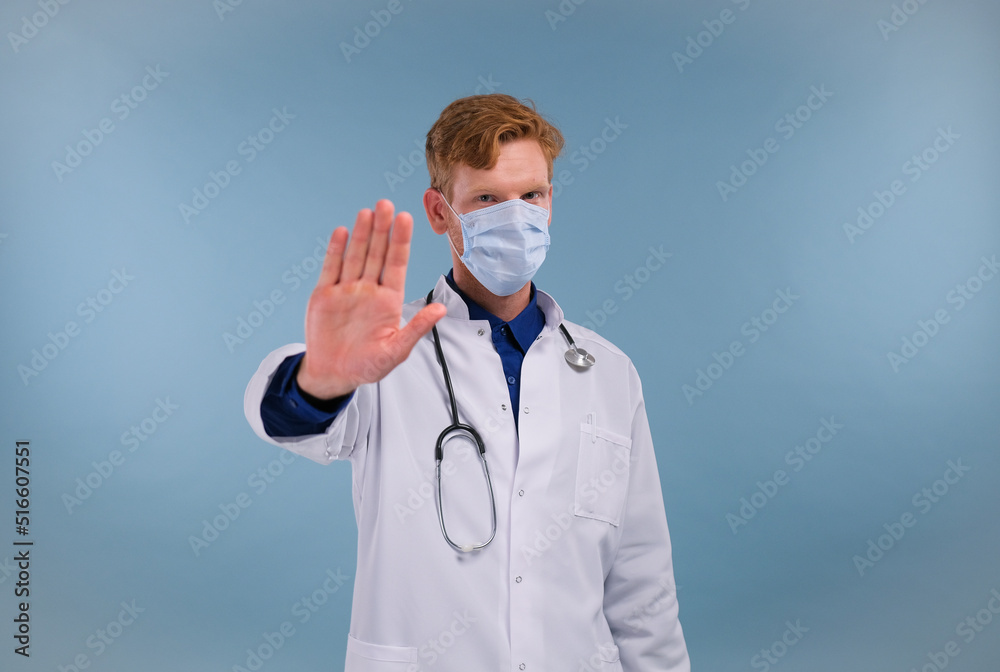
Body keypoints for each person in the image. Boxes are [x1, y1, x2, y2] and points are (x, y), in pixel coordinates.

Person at [243, 94, 689, 671]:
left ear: (551, 201)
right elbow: (285, 419)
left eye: (532, 195)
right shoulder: (383, 355)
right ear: (438, 213)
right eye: (486, 199)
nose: (517, 216)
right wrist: (321, 381)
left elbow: (641, 579)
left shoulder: (608, 371)